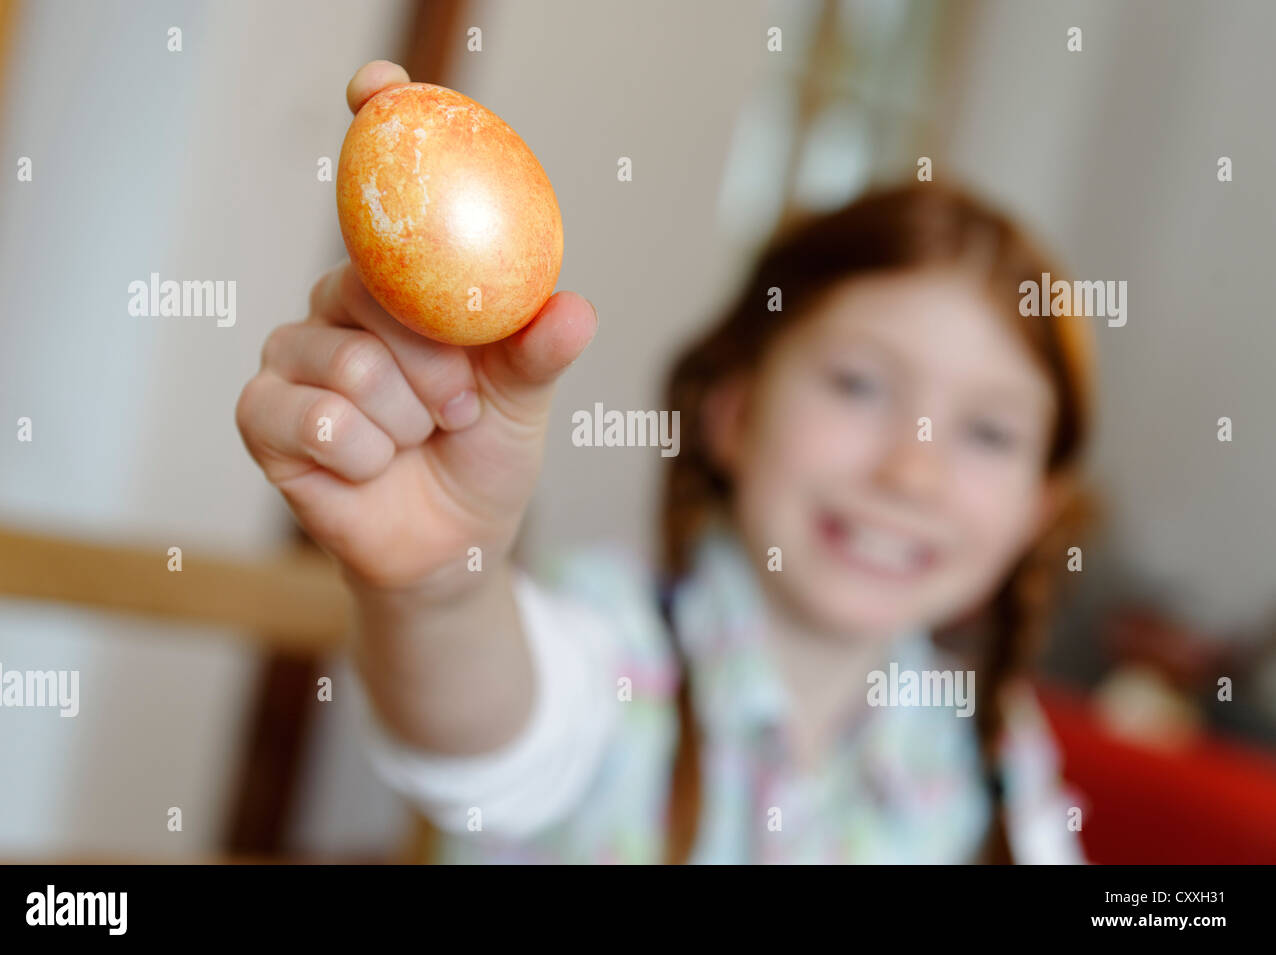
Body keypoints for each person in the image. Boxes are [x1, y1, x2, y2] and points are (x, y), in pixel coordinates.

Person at [235, 60, 1098, 864]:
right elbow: (484, 739)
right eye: (859, 385)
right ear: (733, 413)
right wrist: (439, 590)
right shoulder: (615, 648)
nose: (911, 473)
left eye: (988, 433)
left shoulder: (990, 750)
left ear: (1036, 509)